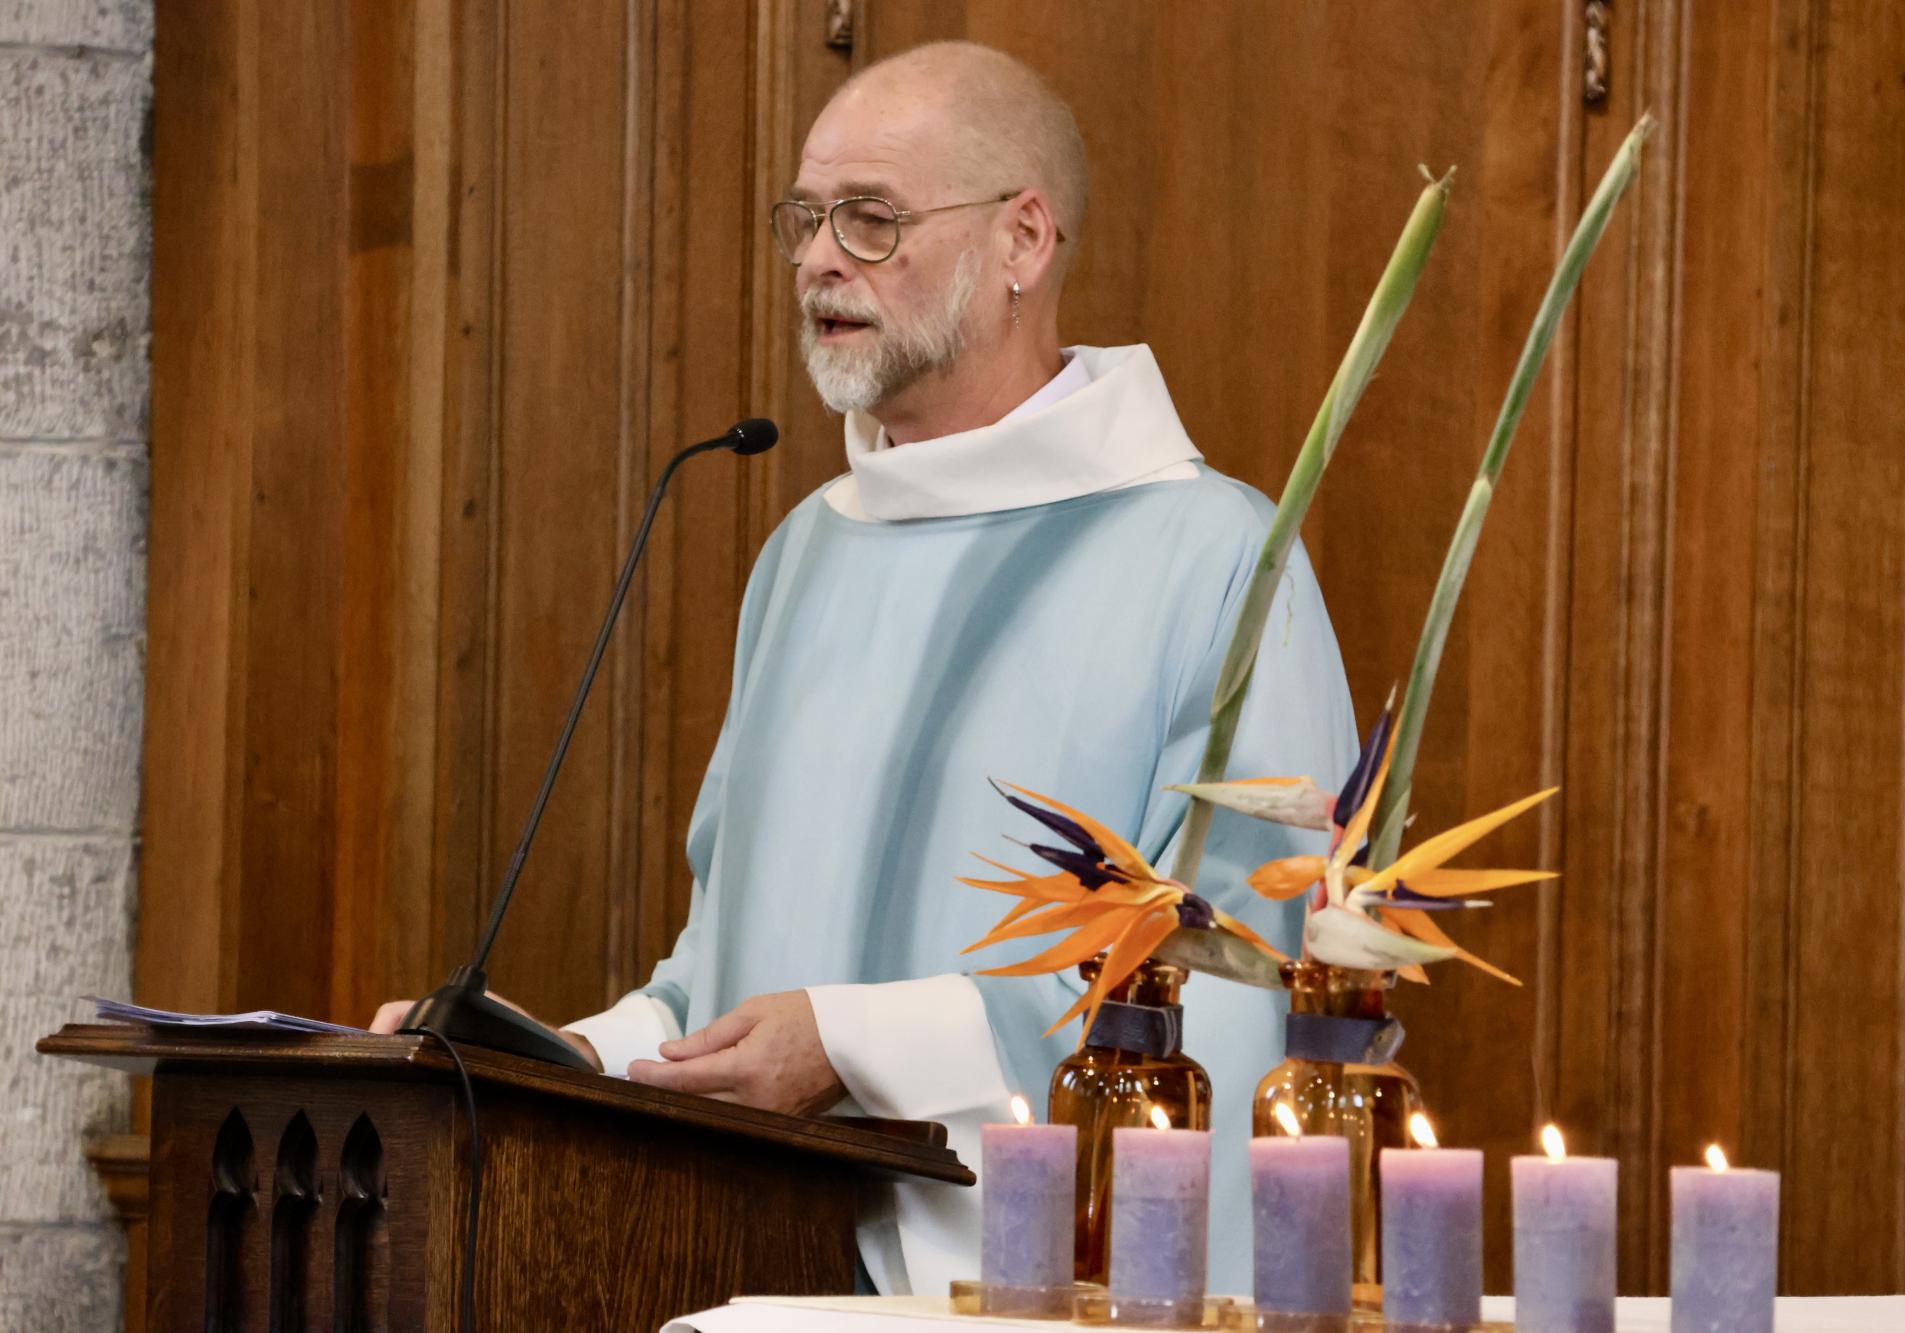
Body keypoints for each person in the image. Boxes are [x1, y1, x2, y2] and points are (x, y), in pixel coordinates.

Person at [373, 39, 1358, 1296]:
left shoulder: (1219, 558)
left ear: (1023, 241)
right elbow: (718, 971)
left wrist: (853, 1045)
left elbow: (1245, 969)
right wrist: (551, 1059)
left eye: (871, 220)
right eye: (804, 218)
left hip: (1035, 1283)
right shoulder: (806, 552)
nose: (815, 260)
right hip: (745, 1260)